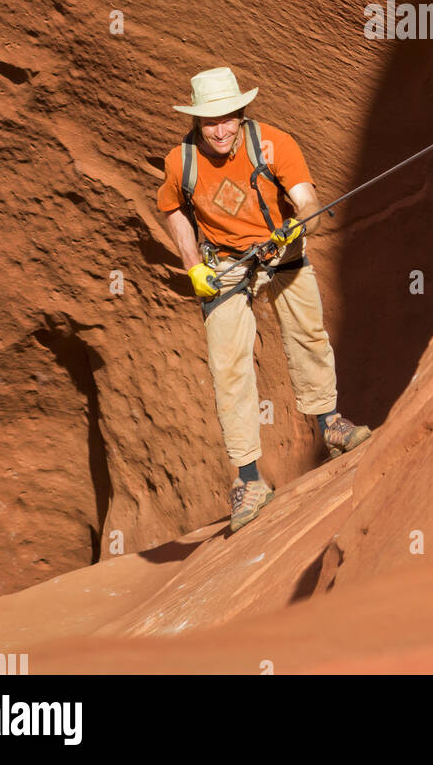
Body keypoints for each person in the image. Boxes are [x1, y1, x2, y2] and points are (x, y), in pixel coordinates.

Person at [157, 67, 371, 533]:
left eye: (229, 117)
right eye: (210, 121)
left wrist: (299, 224)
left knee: (308, 332)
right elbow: (172, 208)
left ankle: (330, 423)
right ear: (196, 121)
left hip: (282, 250)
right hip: (225, 266)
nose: (221, 129)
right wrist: (193, 264)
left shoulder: (274, 144)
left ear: (241, 112)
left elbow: (309, 202)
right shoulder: (181, 162)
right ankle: (249, 480)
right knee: (228, 366)